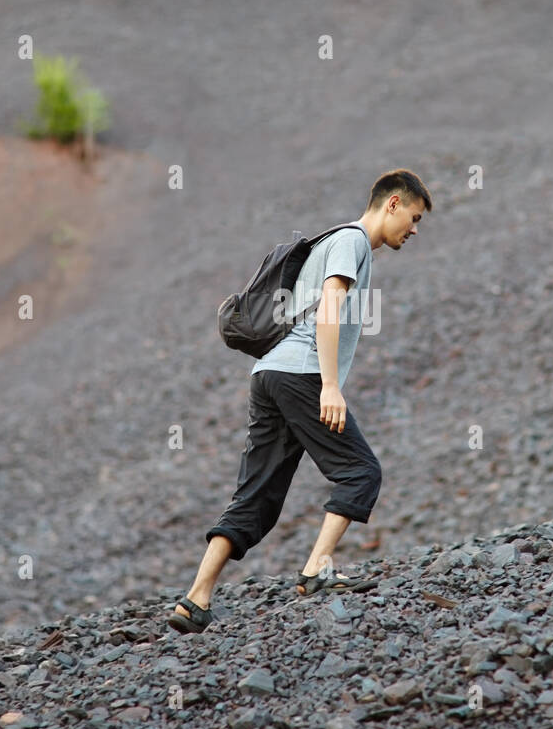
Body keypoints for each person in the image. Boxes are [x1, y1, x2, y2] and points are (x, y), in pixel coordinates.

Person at [169, 169, 432, 634]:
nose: (414, 230)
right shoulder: (351, 241)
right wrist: (330, 385)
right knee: (360, 471)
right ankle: (316, 570)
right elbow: (330, 306)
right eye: (413, 218)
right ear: (392, 204)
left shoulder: (327, 241)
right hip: (302, 373)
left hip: (268, 373)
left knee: (257, 494)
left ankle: (196, 598)